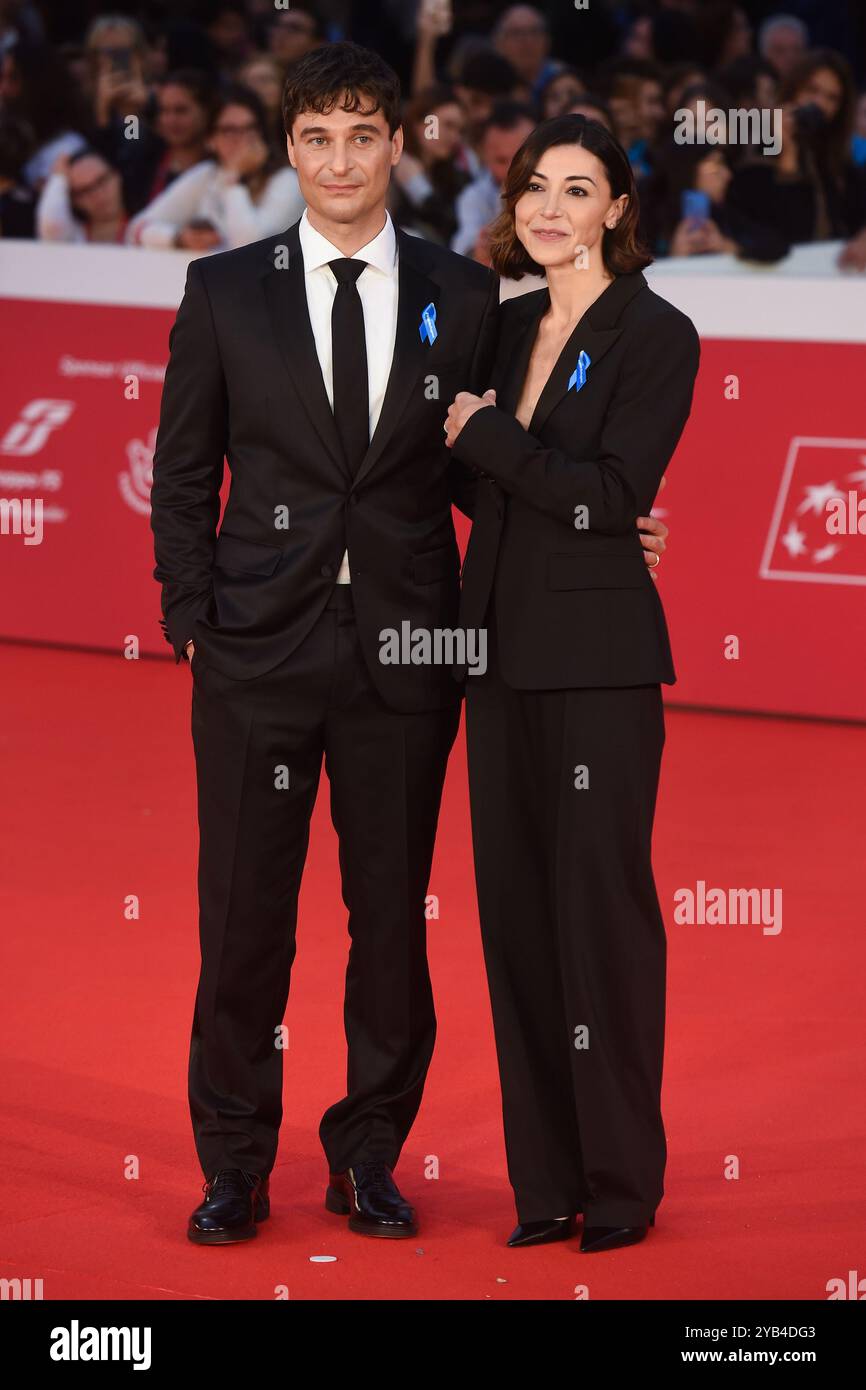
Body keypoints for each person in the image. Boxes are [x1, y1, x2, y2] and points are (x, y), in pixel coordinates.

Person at [150, 43, 668, 1248]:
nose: (339, 159)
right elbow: (183, 473)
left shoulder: (463, 294)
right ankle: (233, 1163)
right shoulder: (224, 289)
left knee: (388, 926)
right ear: (291, 150)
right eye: (316, 137)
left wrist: (598, 533)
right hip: (254, 653)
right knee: (241, 926)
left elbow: (480, 467)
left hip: (408, 654)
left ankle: (368, 1153)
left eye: (361, 135)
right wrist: (190, 623)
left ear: (397, 145)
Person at [445, 113, 700, 1254]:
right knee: (513, 925)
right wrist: (522, 468)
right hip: (492, 658)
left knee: (597, 919)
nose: (550, 208)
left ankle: (621, 1182)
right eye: (534, 187)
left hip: (597, 668)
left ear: (617, 209)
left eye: (577, 189)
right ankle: (542, 1184)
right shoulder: (494, 334)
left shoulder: (657, 333)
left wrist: (505, 451)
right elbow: (496, 488)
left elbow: (606, 489)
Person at [126, 86, 304, 252]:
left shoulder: (286, 180)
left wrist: (234, 179)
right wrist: (179, 238)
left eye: (250, 128)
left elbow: (251, 247)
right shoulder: (207, 174)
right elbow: (135, 230)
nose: (241, 140)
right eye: (229, 130)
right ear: (211, 140)